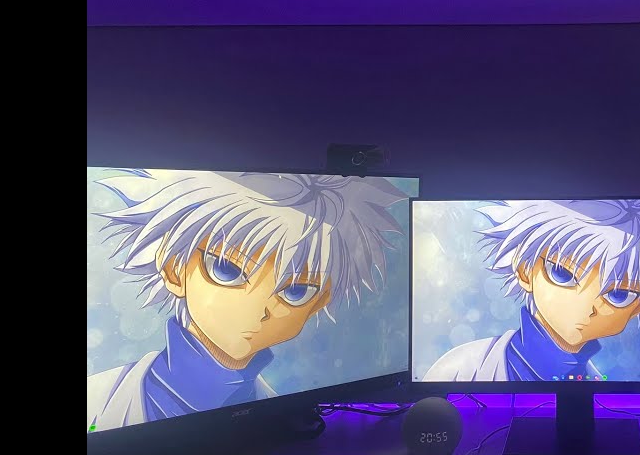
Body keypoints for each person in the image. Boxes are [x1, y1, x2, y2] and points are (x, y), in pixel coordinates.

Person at [87, 168, 408, 431]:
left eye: (296, 290)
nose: (258, 308)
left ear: (319, 301)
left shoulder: (278, 411)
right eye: (227, 269)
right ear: (174, 268)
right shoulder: (97, 404)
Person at [424, 199, 640, 381]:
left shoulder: (594, 382)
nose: (586, 307)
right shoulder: (462, 369)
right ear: (525, 270)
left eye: (618, 294)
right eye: (563, 273)